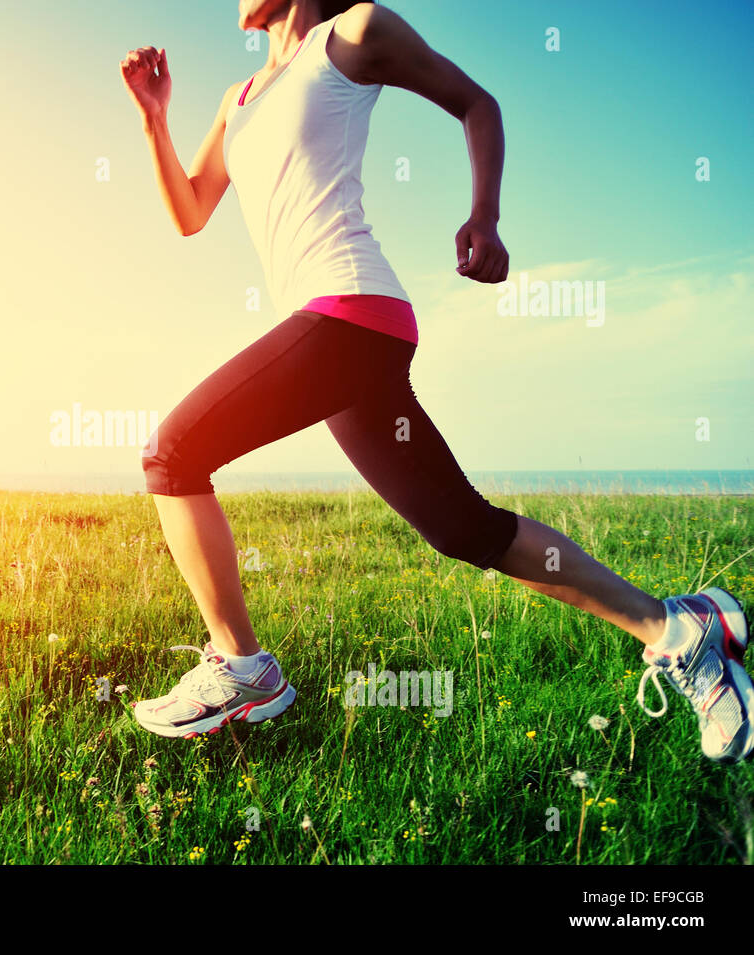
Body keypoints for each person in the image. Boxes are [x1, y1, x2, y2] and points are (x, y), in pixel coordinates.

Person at [117, 0, 753, 761]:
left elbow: (476, 103)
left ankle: (243, 667)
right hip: (340, 334)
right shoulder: (239, 100)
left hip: (352, 309)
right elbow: (190, 211)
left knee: (172, 453)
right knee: (462, 529)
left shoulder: (351, 36)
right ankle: (681, 627)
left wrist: (484, 216)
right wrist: (155, 116)